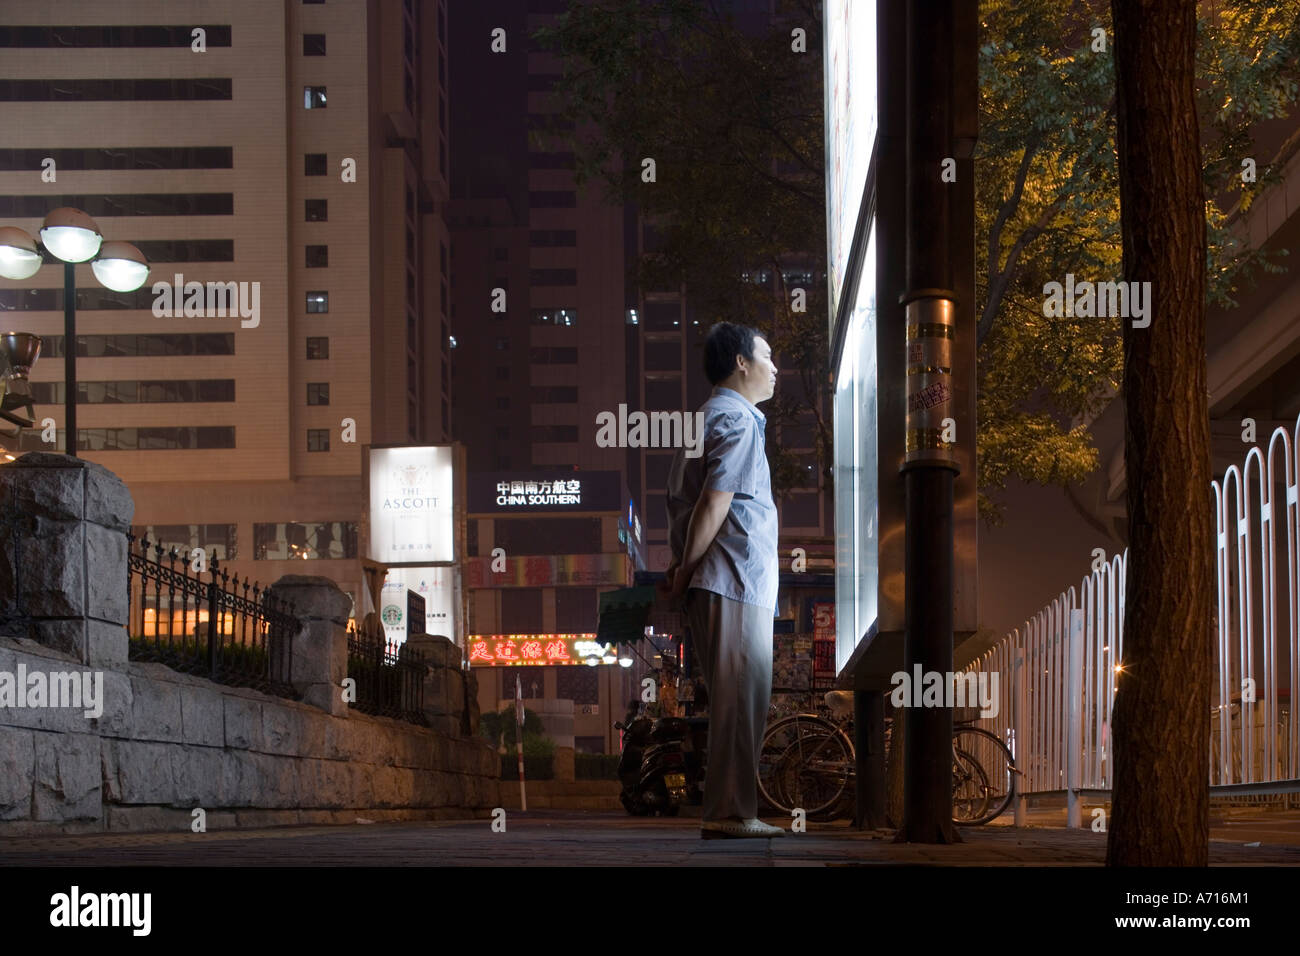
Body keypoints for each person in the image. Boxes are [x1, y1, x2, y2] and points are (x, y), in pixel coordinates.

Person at [662, 322, 784, 840]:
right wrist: (686, 570)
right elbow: (715, 502)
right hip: (732, 579)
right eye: (767, 356)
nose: (775, 368)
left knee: (740, 698)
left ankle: (732, 810)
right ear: (741, 361)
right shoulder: (735, 420)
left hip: (726, 582)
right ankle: (731, 814)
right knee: (740, 701)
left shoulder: (710, 418)